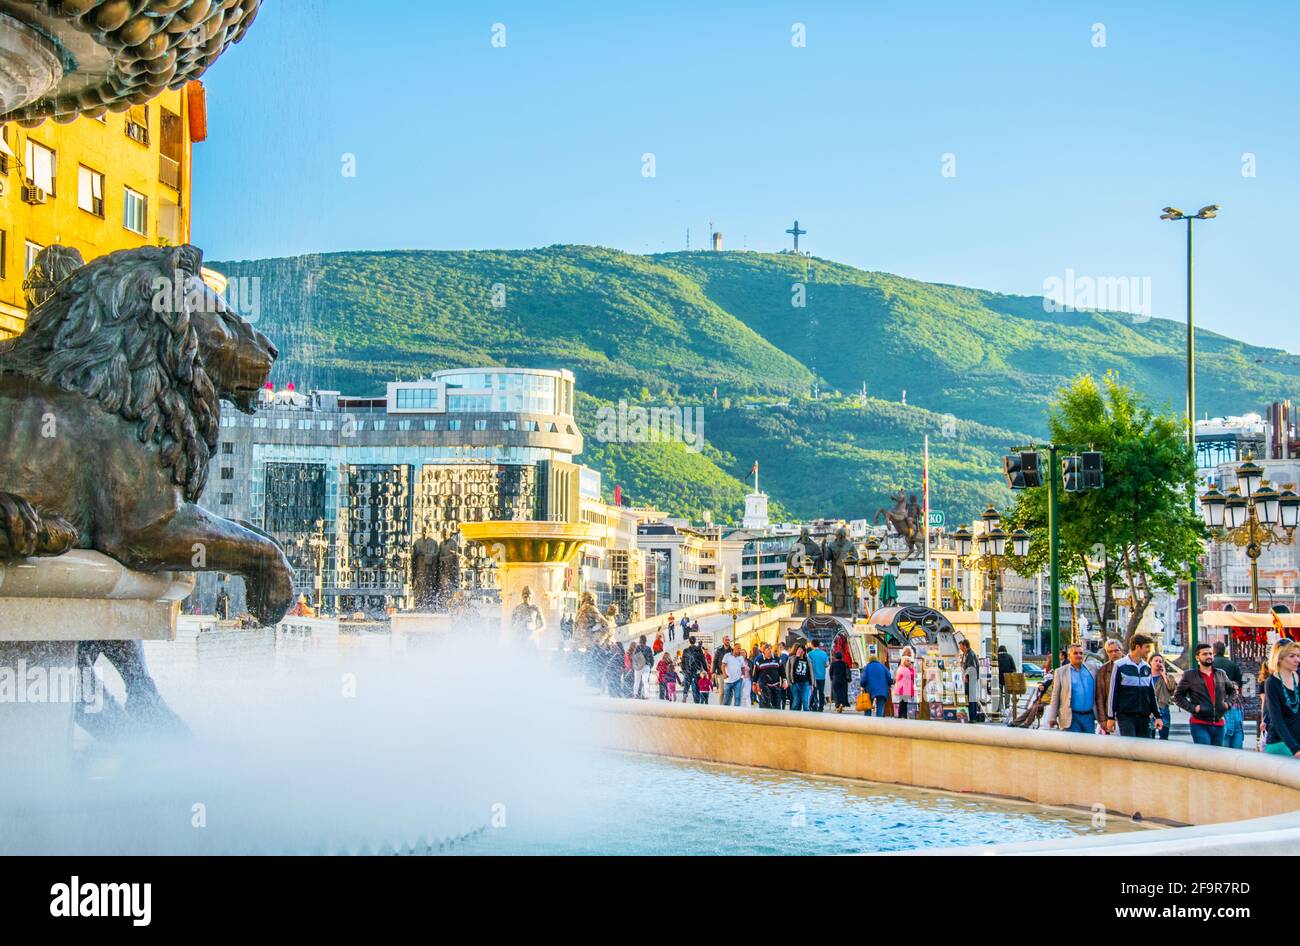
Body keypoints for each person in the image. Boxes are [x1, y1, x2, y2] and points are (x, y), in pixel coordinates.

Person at [1175, 642, 1238, 747]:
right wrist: (1193, 708)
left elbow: (1233, 691)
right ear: (1197, 657)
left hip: (1219, 724)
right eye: (1205, 654)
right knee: (1205, 755)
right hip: (1199, 723)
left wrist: (1228, 704)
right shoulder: (1189, 675)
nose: (1208, 656)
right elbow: (1177, 696)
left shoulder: (1220, 673)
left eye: (1210, 653)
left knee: (1216, 758)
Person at [1105, 632, 1163, 738]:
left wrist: (1157, 716)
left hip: (1144, 717)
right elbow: (1113, 693)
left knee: (1144, 749)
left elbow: (1151, 694)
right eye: (1147, 647)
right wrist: (1111, 717)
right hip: (1126, 716)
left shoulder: (1147, 667)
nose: (1149, 650)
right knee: (1129, 747)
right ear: (1137, 647)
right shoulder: (1119, 665)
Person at [1049, 643, 1098, 733]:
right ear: (1069, 656)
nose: (1079, 655)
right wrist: (1052, 716)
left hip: (1089, 716)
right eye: (1075, 653)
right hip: (1070, 716)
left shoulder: (1093, 669)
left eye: (1081, 653)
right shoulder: (1061, 672)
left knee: (1089, 745)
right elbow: (1055, 695)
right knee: (1072, 745)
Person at [1263, 640, 1300, 757]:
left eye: (1298, 656)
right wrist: (1295, 749)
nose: (1297, 660)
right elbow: (1276, 719)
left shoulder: (1298, 676)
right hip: (1280, 742)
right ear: (1279, 658)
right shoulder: (1272, 683)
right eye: (1292, 656)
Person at [1212, 641, 1246, 749]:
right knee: (1236, 735)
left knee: (1223, 741)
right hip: (1233, 705)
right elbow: (1240, 683)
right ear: (1224, 651)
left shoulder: (1210, 665)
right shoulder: (1232, 664)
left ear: (1213, 651)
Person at [1093, 638, 1124, 735]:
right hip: (1111, 715)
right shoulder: (1103, 670)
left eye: (1116, 650)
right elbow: (1100, 697)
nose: (1113, 654)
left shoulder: (1129, 666)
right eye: (1110, 651)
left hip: (1128, 714)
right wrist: (1102, 720)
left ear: (1121, 650)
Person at [1150, 653, 1177, 740]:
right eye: (1156, 661)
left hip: (1163, 709)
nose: (1158, 663)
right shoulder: (1146, 676)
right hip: (1149, 711)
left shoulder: (1168, 677)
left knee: (1164, 739)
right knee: (1150, 739)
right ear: (1150, 662)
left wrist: (1164, 675)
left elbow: (1171, 688)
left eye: (1160, 661)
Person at [957, 639, 983, 722]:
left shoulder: (970, 654)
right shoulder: (966, 654)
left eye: (961, 646)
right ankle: (972, 716)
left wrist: (967, 677)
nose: (960, 648)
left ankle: (973, 717)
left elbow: (972, 668)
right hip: (970, 679)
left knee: (971, 699)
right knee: (970, 698)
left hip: (971, 679)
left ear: (965, 646)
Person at [860, 653, 894, 717]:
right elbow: (889, 677)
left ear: (869, 661)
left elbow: (863, 679)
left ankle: (867, 719)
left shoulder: (867, 667)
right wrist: (890, 683)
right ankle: (879, 721)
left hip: (870, 689)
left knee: (868, 704)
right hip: (882, 689)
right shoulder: (883, 666)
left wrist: (863, 685)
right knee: (880, 705)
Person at [753, 644, 784, 709]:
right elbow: (756, 673)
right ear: (764, 651)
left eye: (770, 649)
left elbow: (782, 671)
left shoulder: (777, 659)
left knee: (776, 705)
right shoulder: (759, 660)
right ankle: (764, 718)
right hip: (764, 686)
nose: (770, 651)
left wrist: (785, 680)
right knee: (765, 704)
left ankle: (776, 718)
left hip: (776, 685)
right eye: (768, 649)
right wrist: (754, 684)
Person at [787, 645, 813, 711]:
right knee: (796, 701)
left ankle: (806, 718)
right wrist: (798, 657)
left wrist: (812, 683)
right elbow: (792, 668)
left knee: (805, 701)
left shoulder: (807, 659)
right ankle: (793, 717)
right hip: (795, 683)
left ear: (804, 652)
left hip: (805, 683)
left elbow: (810, 672)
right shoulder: (792, 658)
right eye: (798, 650)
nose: (800, 652)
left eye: (801, 650)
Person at [807, 640, 830, 712]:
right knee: (821, 692)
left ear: (812, 644)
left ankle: (814, 705)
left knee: (813, 692)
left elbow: (808, 665)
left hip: (813, 677)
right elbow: (827, 664)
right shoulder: (824, 654)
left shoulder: (810, 654)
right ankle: (821, 707)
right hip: (822, 676)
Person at [892, 651, 915, 719]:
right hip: (904, 689)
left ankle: (903, 716)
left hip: (903, 689)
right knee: (903, 703)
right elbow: (912, 675)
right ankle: (902, 716)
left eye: (909, 661)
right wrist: (911, 668)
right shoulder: (904, 669)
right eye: (907, 661)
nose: (909, 662)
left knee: (903, 703)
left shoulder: (901, 668)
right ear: (904, 661)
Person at [828, 648, 850, 713]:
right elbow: (847, 672)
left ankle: (837, 705)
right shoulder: (844, 663)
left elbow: (830, 672)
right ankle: (842, 704)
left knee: (836, 693)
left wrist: (832, 679)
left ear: (835, 657)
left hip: (835, 680)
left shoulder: (833, 664)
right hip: (843, 680)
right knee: (843, 693)